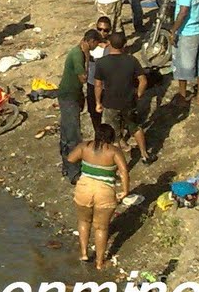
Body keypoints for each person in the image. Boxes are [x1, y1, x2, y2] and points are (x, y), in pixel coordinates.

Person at [65, 123, 128, 269]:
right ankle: (99, 262)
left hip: (84, 188)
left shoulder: (84, 146)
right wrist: (125, 190)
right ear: (111, 137)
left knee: (83, 221)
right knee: (101, 228)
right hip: (104, 191)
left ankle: (84, 253)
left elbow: (70, 159)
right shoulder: (114, 151)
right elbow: (124, 171)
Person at [93, 31, 152, 165]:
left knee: (114, 136)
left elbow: (98, 85)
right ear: (124, 45)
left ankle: (121, 165)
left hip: (110, 103)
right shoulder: (131, 60)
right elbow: (143, 81)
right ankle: (145, 155)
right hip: (128, 102)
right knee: (135, 127)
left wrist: (98, 102)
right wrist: (138, 95)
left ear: (109, 45)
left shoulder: (102, 63)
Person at [56, 31, 94, 185]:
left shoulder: (75, 52)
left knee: (66, 134)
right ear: (89, 41)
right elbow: (83, 78)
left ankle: (66, 166)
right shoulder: (78, 54)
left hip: (70, 96)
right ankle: (74, 172)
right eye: (93, 45)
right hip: (69, 98)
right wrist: (87, 59)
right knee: (73, 136)